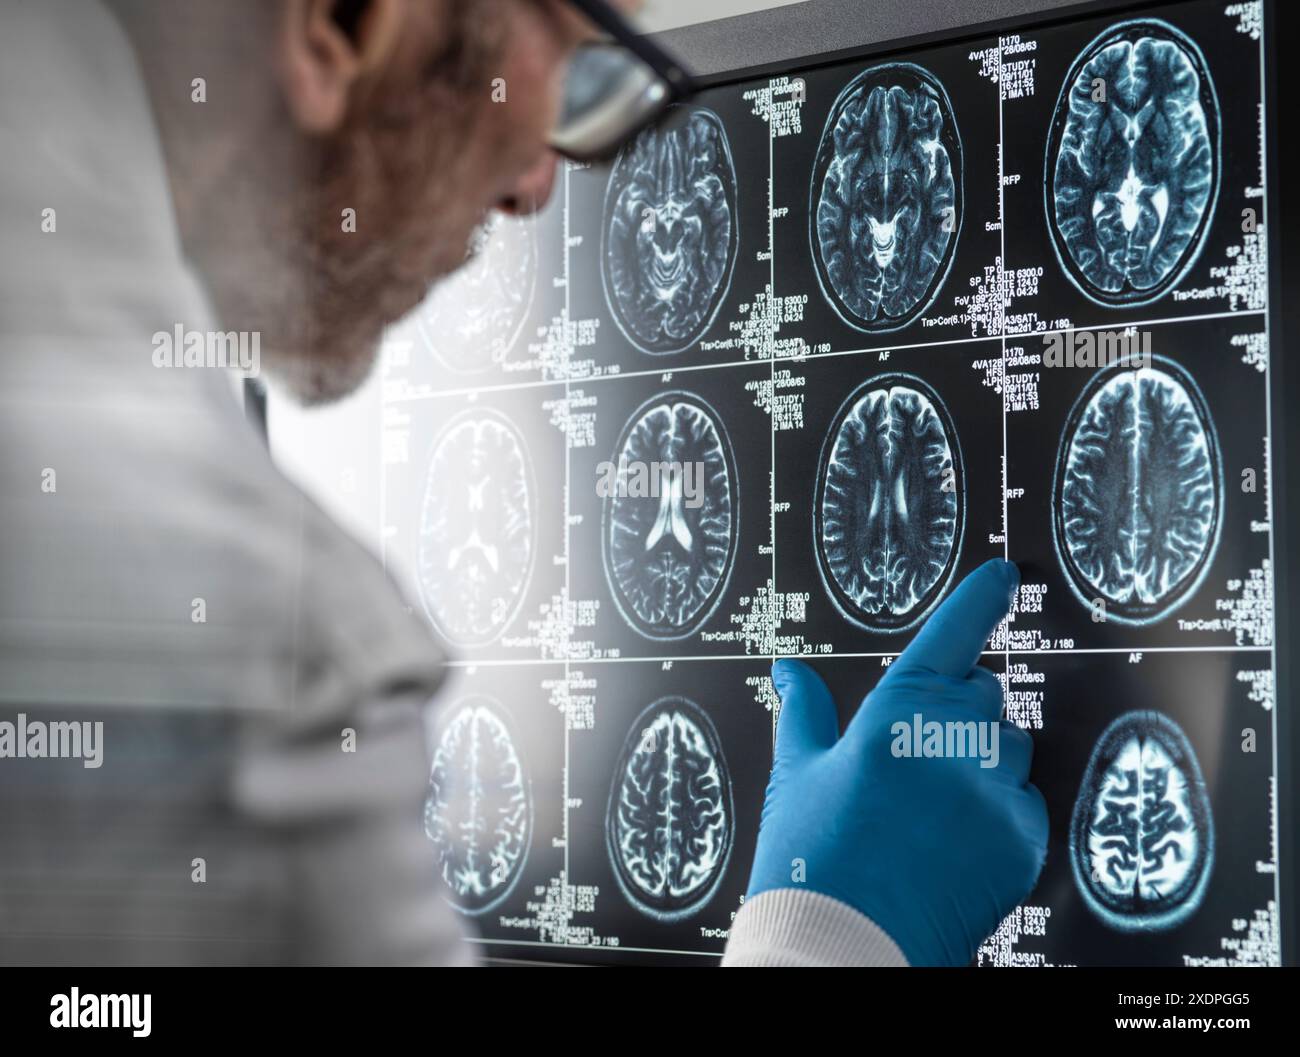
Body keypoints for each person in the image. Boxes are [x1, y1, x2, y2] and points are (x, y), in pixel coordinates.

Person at [0, 0, 1046, 966]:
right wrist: (833, 927)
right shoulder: (270, 649)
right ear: (345, 23)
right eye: (586, 76)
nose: (539, 185)